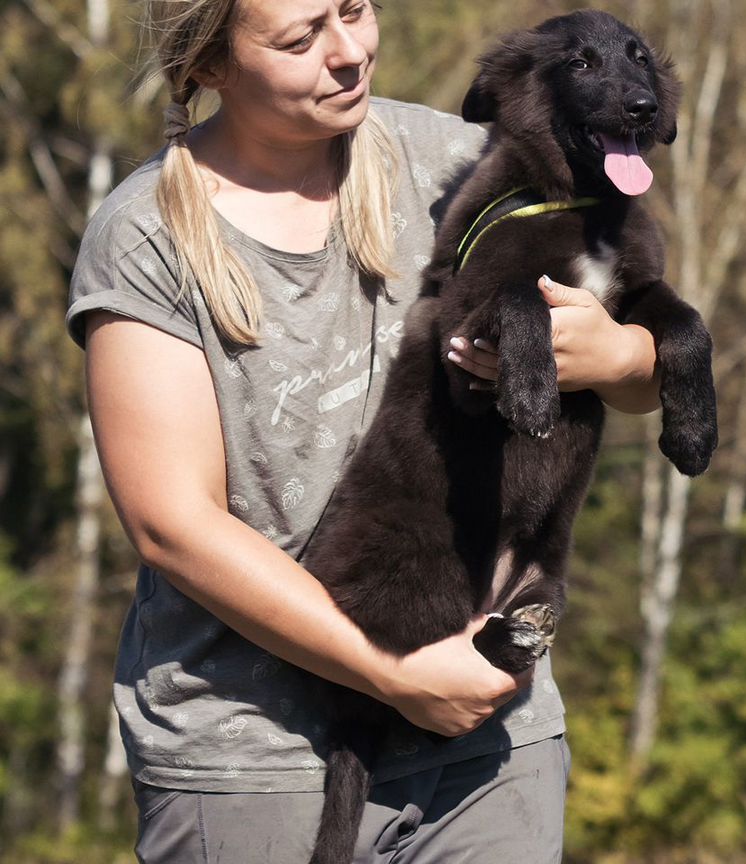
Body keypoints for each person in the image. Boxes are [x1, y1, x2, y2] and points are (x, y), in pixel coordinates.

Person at [66, 1, 661, 861]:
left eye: (355, 8)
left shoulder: (462, 156)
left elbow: (637, 378)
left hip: (489, 745)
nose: (348, 52)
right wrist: (393, 676)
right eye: (302, 37)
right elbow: (172, 526)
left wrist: (621, 353)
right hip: (255, 758)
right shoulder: (145, 238)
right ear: (208, 68)